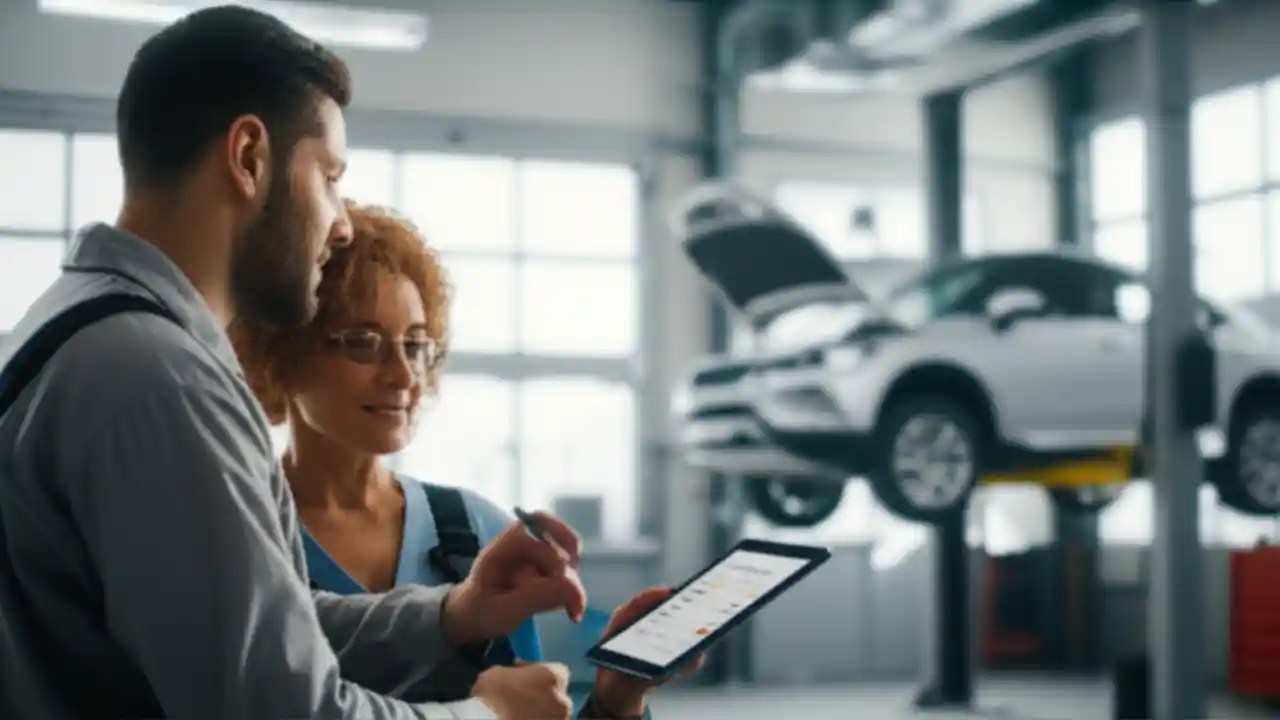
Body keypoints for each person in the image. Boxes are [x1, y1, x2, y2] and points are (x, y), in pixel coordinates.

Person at [0, 6, 585, 719]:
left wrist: (452, 614)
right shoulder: (159, 378)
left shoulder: (81, 330)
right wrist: (488, 716)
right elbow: (280, 707)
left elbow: (265, 633)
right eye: (330, 176)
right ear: (249, 156)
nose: (341, 223)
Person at [230, 201, 703, 719]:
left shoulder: (479, 532)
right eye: (363, 343)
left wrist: (618, 696)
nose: (404, 375)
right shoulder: (238, 535)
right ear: (282, 351)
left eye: (414, 344)